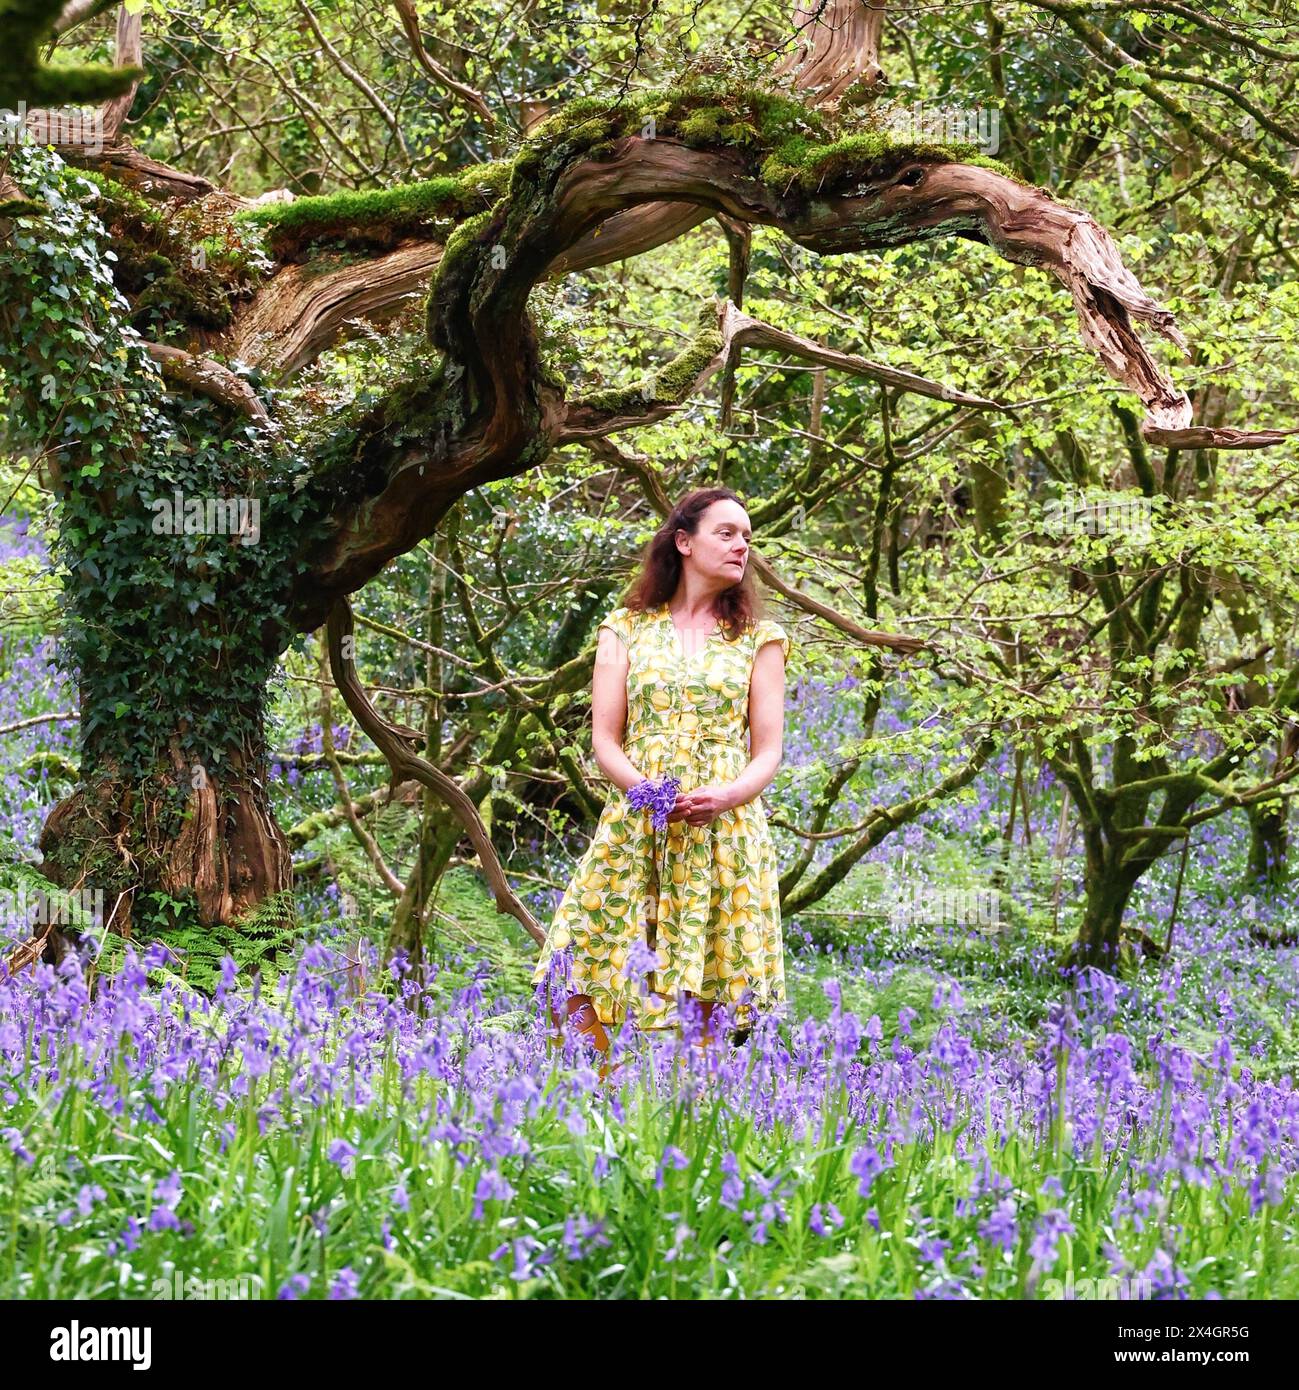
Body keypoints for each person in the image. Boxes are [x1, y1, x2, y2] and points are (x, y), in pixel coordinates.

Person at [533, 486, 791, 1055]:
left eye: (747, 537)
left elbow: (768, 750)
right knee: (579, 957)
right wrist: (645, 791)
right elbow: (605, 739)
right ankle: (597, 1090)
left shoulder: (760, 639)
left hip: (722, 826)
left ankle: (691, 1114)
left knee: (713, 975)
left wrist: (726, 797)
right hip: (639, 819)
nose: (741, 546)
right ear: (683, 541)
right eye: (726, 533)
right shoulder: (623, 630)